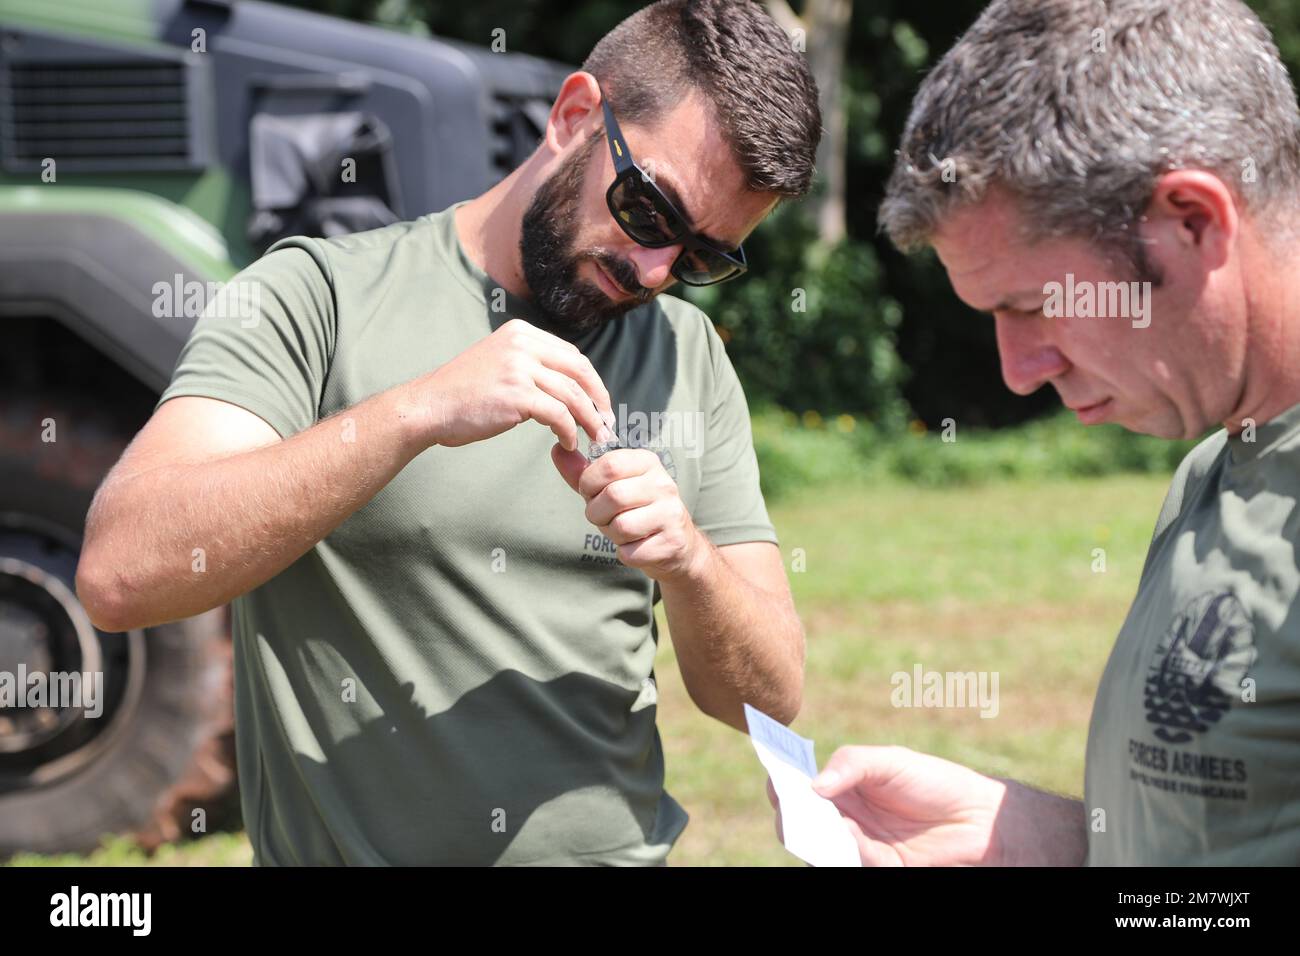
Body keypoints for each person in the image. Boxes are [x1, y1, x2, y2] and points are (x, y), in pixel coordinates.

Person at [76, 0, 821, 866]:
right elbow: (120, 573)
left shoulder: (687, 353)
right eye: (649, 213)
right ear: (575, 116)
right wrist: (414, 412)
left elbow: (769, 697)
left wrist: (690, 560)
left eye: (702, 258)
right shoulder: (316, 296)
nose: (654, 271)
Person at [769, 0, 1300, 865]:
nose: (1017, 370)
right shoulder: (1216, 468)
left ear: (1193, 221)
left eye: (1036, 305)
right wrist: (1024, 837)